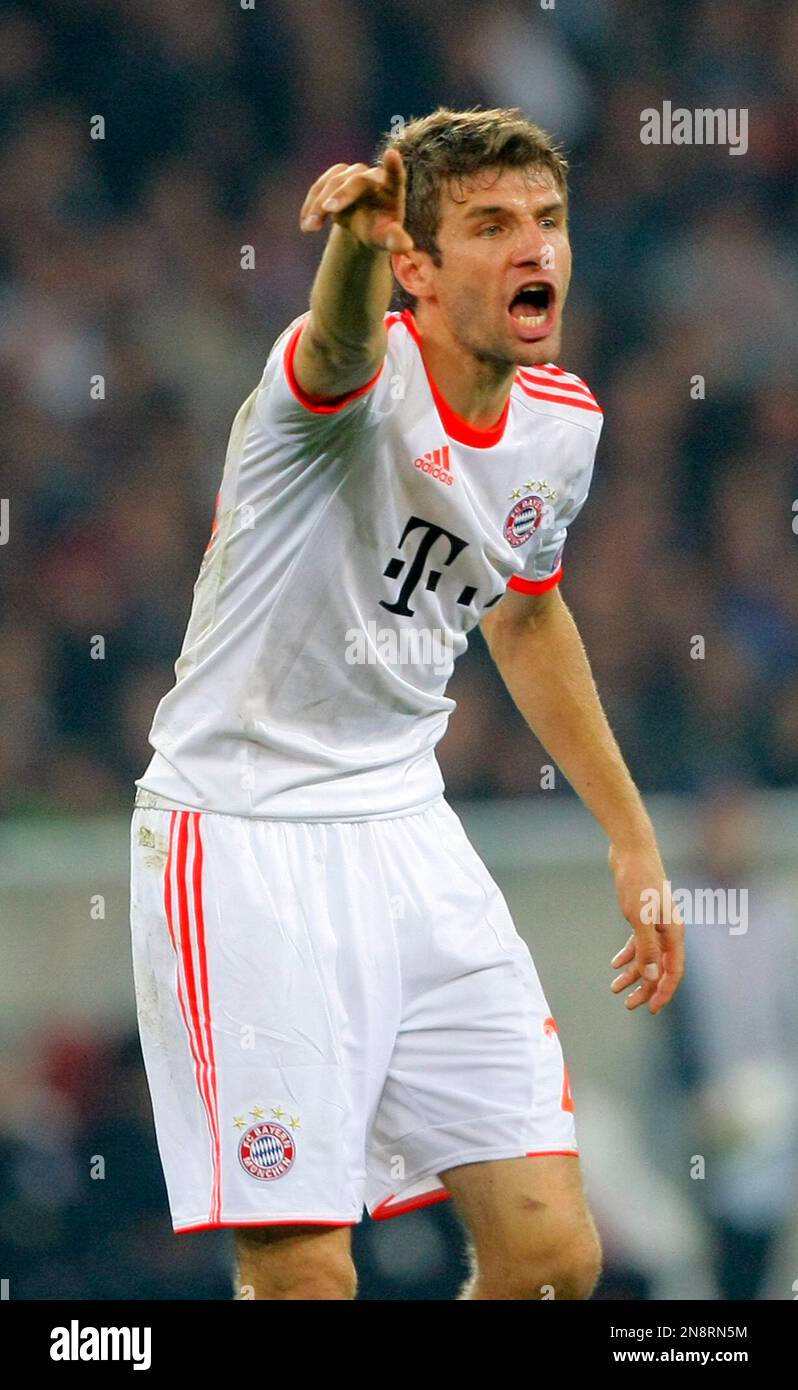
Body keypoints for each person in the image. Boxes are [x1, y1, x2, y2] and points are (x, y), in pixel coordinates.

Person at [129, 106, 684, 1301]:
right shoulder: (338, 386)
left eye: (546, 220)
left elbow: (524, 612)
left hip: (409, 833)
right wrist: (354, 248)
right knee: (307, 1273)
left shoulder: (560, 422)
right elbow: (335, 345)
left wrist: (630, 830)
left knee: (551, 1258)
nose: (533, 247)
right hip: (240, 835)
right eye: (489, 225)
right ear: (416, 268)